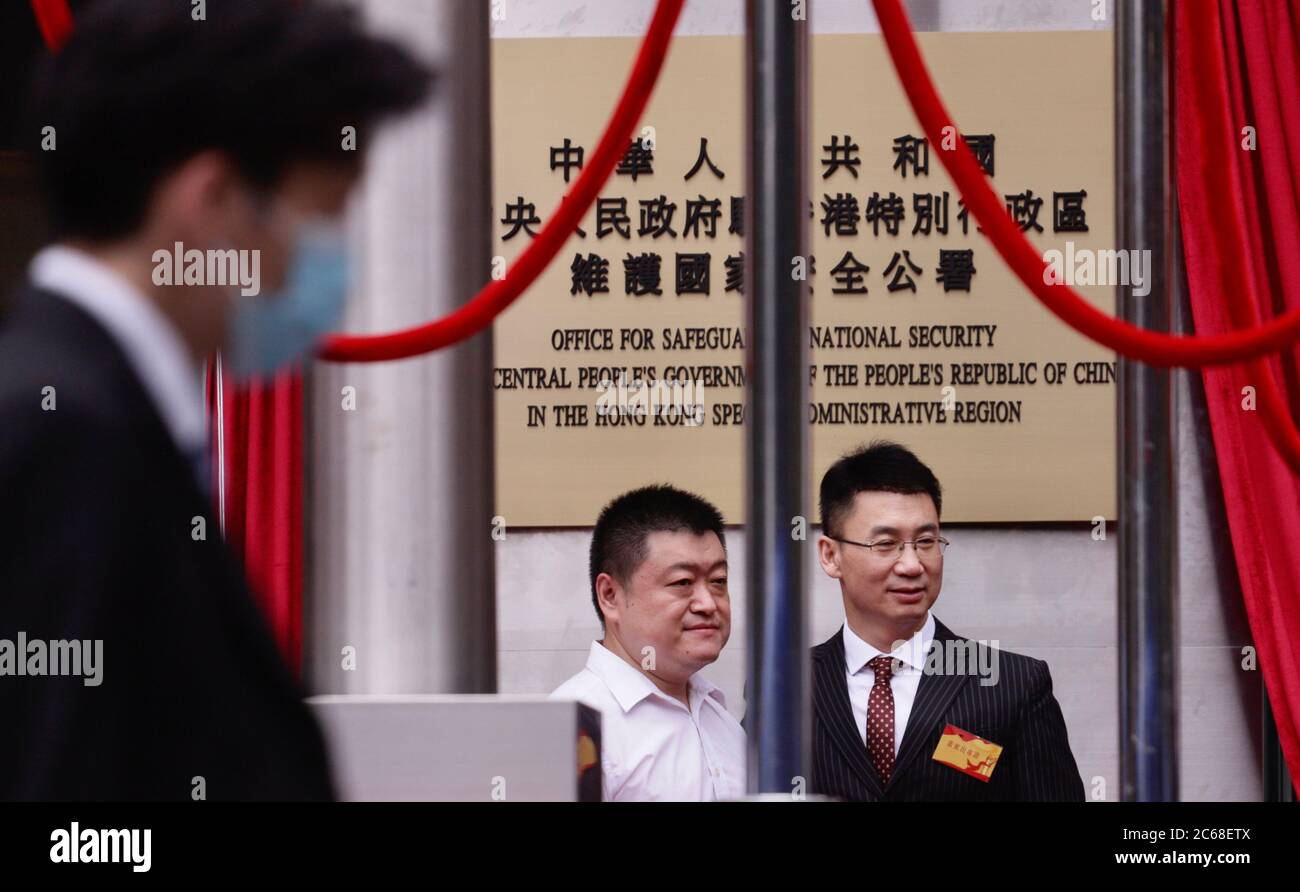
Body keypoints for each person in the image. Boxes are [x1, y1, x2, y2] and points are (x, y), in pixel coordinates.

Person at [0, 0, 434, 800]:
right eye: (326, 214)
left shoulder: (107, 422)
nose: (335, 265)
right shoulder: (66, 440)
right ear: (212, 199)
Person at [811, 441, 1084, 801]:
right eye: (886, 544)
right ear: (831, 556)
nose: (911, 565)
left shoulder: (1012, 685)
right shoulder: (787, 688)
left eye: (925, 541)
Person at [551, 485, 745, 801]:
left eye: (718, 581)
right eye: (682, 582)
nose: (707, 603)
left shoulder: (718, 716)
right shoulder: (572, 728)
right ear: (610, 595)